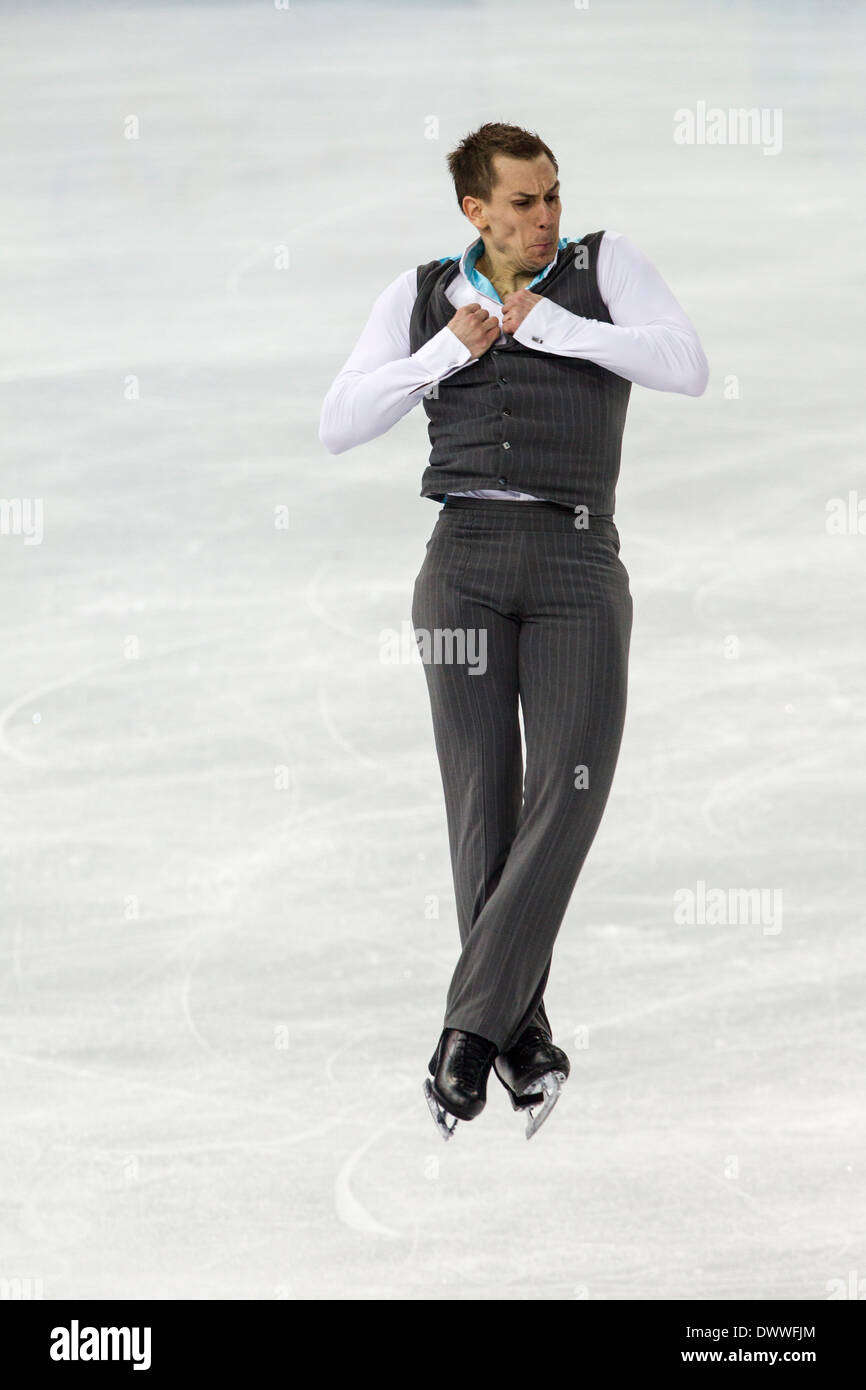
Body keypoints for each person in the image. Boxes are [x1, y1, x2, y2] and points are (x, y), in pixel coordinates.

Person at [319, 121, 709, 1140]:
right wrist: (447, 350)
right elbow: (339, 421)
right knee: (482, 807)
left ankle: (468, 1034)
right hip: (461, 568)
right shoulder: (417, 296)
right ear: (474, 210)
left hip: (577, 562)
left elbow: (683, 364)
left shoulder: (603, 267)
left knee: (570, 786)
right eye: (523, 202)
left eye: (551, 197)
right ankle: (516, 1036)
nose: (544, 218)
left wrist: (553, 328)